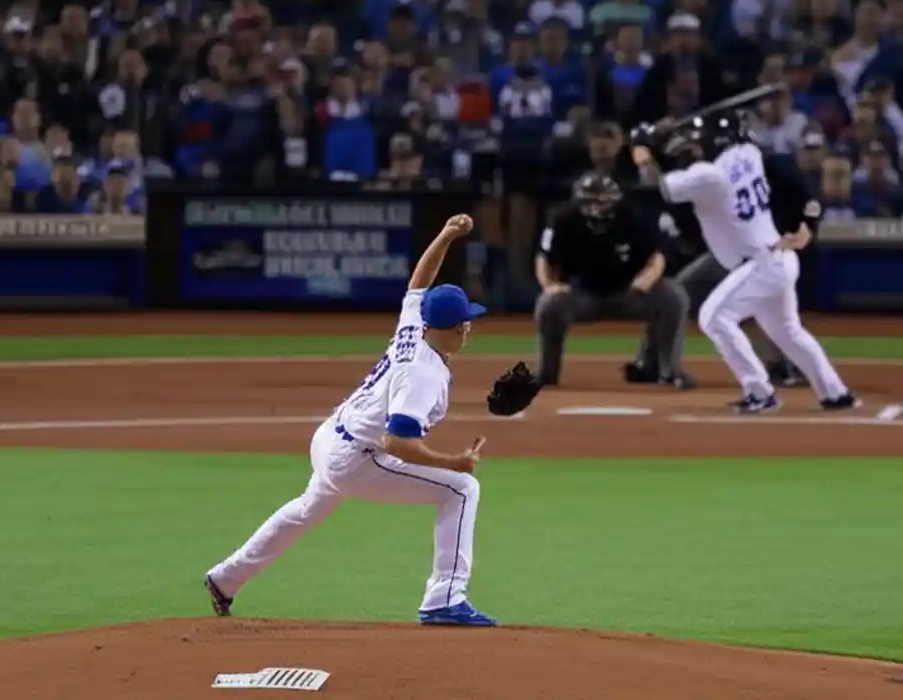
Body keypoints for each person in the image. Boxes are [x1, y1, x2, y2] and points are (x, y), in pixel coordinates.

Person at [206, 214, 497, 627]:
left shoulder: (415, 325)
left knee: (305, 510)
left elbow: (419, 282)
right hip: (357, 459)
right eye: (465, 322)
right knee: (462, 489)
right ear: (453, 329)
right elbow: (398, 443)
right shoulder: (423, 374)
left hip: (329, 437)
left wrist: (446, 234)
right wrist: (455, 462)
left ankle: (225, 578)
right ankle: (444, 599)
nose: (469, 328)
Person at [630, 113, 859, 413]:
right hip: (777, 259)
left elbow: (659, 186)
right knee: (789, 333)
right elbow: (699, 159)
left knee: (714, 318)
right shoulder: (749, 154)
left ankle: (760, 391)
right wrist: (670, 143)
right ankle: (835, 393)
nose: (698, 147)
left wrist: (643, 150)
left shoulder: (710, 175)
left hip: (758, 264)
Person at [534, 172, 691, 387]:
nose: (599, 205)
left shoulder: (633, 216)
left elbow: (658, 254)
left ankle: (666, 370)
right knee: (548, 304)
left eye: (604, 199)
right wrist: (548, 286)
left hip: (628, 291)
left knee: (672, 295)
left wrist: (645, 280)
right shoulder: (562, 219)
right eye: (592, 200)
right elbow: (544, 257)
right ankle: (547, 373)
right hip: (582, 295)